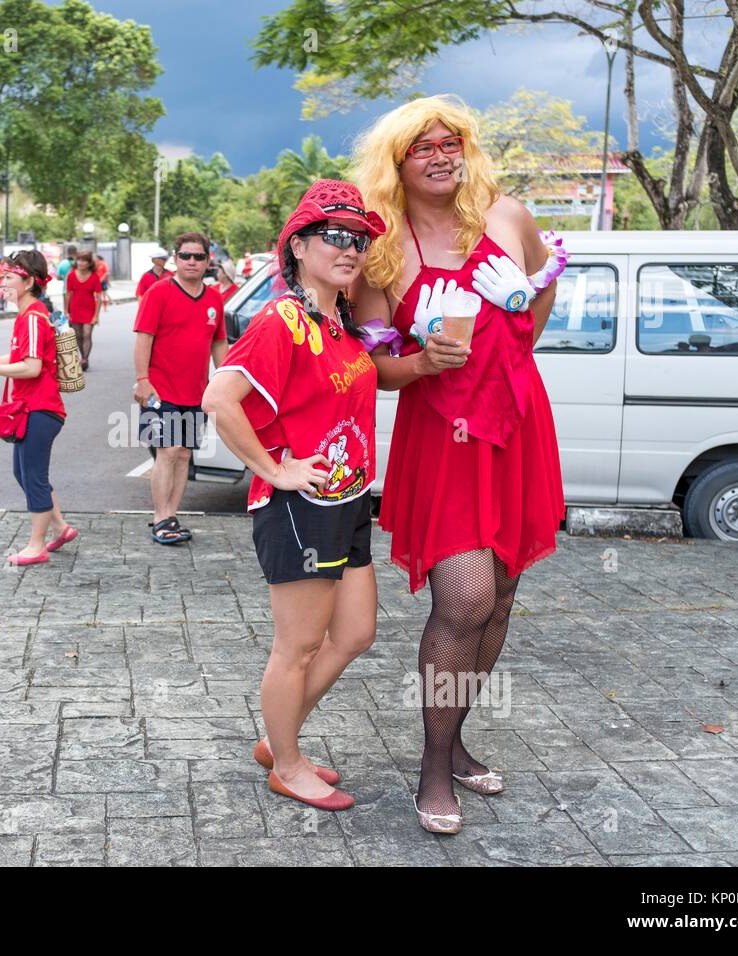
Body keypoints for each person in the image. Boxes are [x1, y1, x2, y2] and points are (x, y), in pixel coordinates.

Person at [351, 95, 565, 833]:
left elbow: (543, 287)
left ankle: (458, 739)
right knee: (466, 598)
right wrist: (424, 363)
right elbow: (376, 365)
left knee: (502, 596)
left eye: (453, 143)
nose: (442, 156)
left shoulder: (506, 216)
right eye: (424, 147)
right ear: (399, 162)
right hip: (443, 433)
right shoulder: (381, 246)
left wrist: (514, 353)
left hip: (516, 424)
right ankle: (433, 767)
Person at [202, 180, 385, 812]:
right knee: (299, 645)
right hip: (299, 508)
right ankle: (286, 762)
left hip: (349, 501)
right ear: (299, 245)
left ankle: (280, 739)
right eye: (335, 235)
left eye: (358, 238)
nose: (350, 247)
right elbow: (219, 400)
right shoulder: (282, 319)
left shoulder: (339, 320)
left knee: (356, 632)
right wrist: (273, 470)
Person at [0, 250, 76, 565]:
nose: (3, 284)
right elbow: (17, 359)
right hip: (31, 408)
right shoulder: (30, 315)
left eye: (8, 278)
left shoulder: (34, 318)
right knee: (24, 473)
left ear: (28, 282)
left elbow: (30, 368)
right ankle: (61, 528)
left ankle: (36, 545)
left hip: (40, 409)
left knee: (34, 477)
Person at [133, 232, 229, 545]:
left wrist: (225, 379)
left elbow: (219, 342)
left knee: (185, 454)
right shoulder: (158, 293)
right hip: (160, 390)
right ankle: (161, 517)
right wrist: (142, 380)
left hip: (196, 392)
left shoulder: (214, 298)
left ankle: (171, 515)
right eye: (185, 256)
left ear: (207, 260)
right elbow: (143, 338)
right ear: (175, 258)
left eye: (198, 257)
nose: (191, 261)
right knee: (168, 450)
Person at [64, 251, 100, 370]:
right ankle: (83, 357)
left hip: (89, 310)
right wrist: (66, 311)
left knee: (87, 333)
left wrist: (96, 315)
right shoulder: (71, 275)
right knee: (78, 335)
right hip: (75, 309)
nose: (80, 262)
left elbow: (98, 297)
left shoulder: (95, 277)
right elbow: (68, 294)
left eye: (84, 260)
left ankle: (85, 359)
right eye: (79, 260)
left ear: (89, 263)